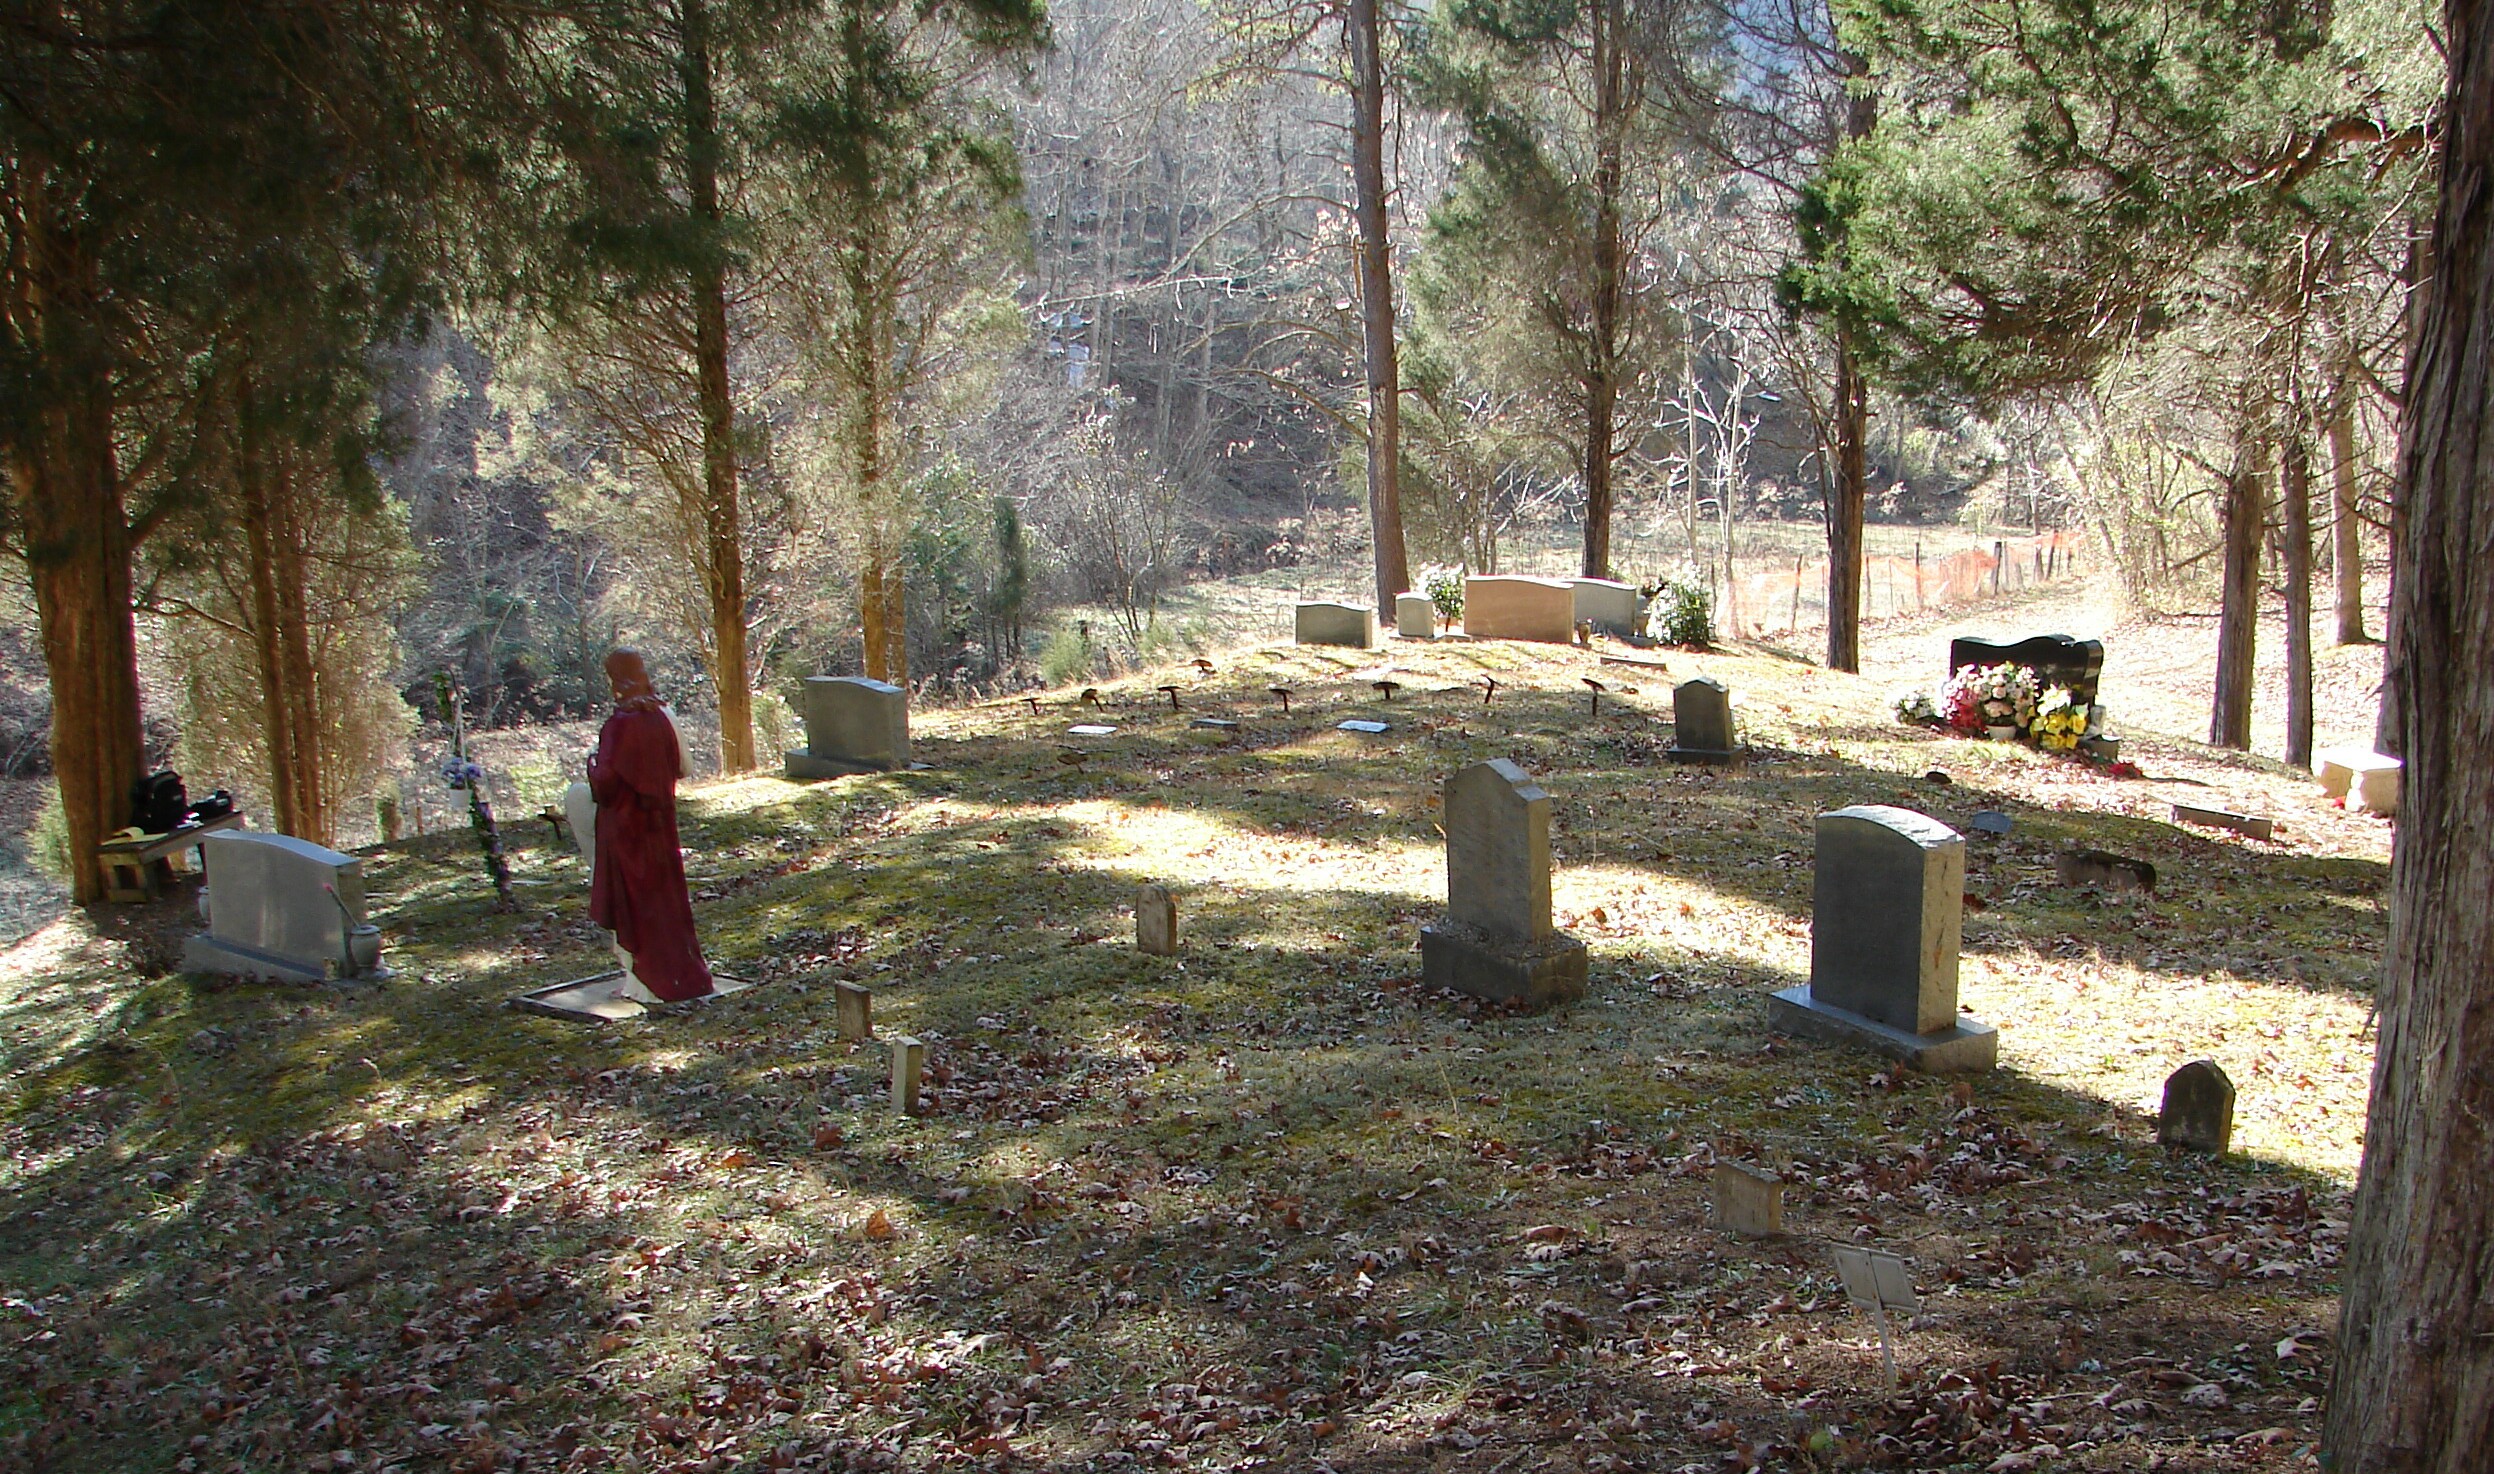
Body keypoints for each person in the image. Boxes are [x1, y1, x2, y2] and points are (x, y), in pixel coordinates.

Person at [587, 650, 714, 1001]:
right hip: (661, 827)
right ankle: (680, 974)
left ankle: (644, 984)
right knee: (666, 902)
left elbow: (608, 782)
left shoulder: (618, 726)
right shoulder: (663, 716)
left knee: (635, 904)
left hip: (626, 831)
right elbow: (683, 767)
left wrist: (593, 766)